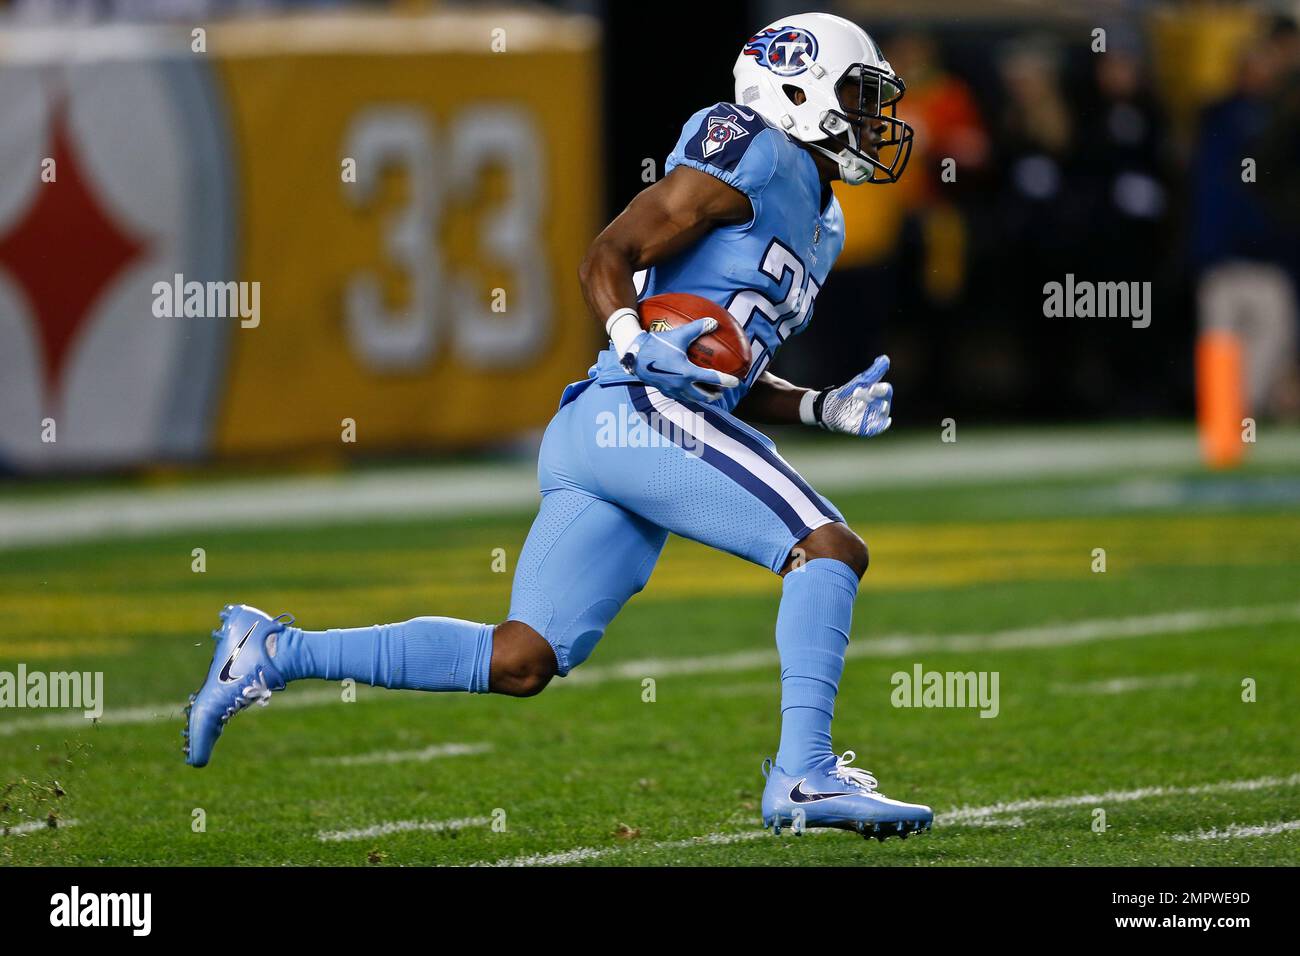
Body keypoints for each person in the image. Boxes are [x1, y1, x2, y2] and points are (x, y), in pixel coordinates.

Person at [183, 12, 933, 840]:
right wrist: (634, 341)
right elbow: (607, 255)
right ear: (797, 86)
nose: (874, 120)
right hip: (637, 408)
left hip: (623, 428)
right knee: (826, 546)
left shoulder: (822, 221)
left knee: (522, 658)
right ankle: (804, 775)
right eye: (860, 96)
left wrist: (818, 404)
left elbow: (727, 370)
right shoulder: (749, 145)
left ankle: (272, 651)